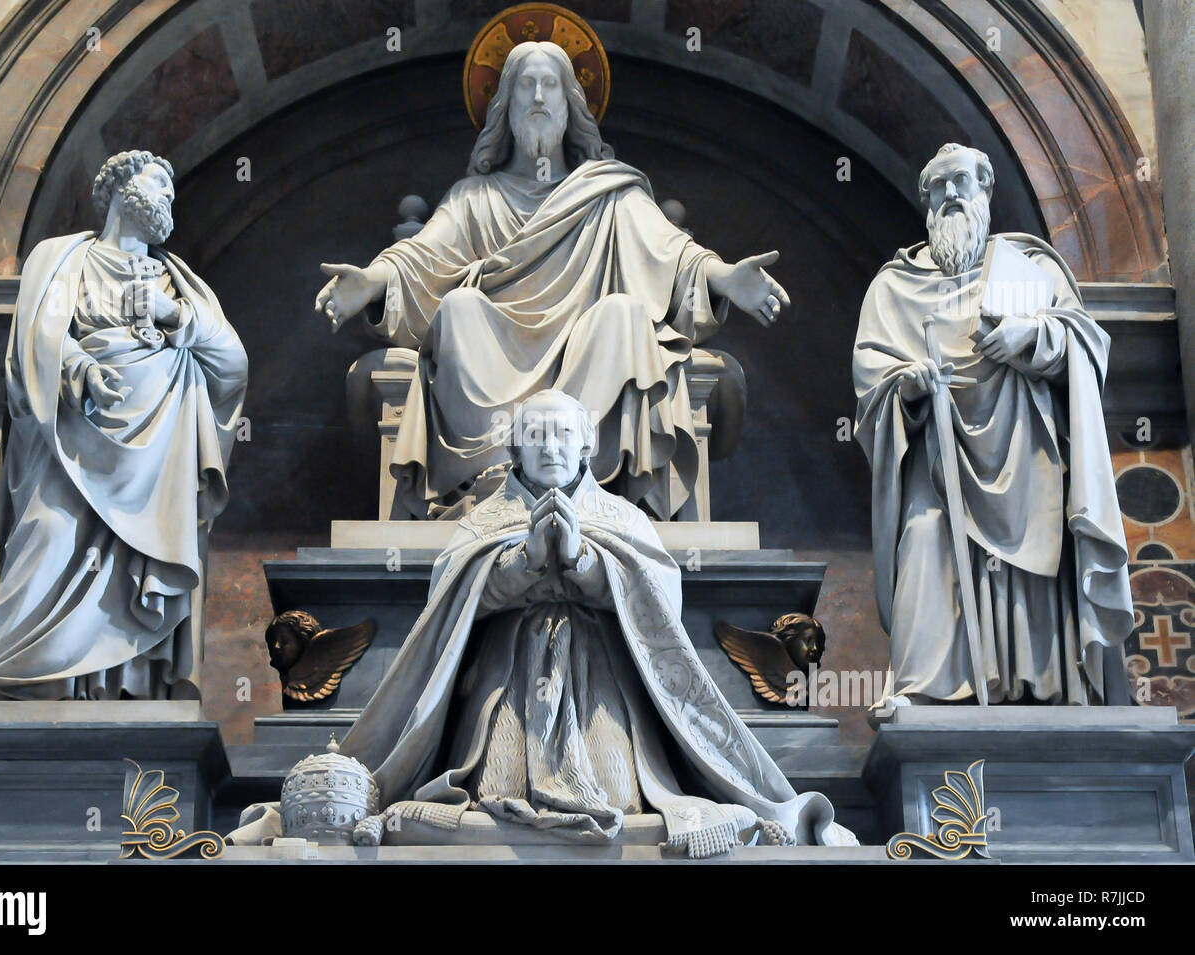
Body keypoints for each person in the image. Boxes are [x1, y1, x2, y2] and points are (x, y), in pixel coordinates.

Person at [334, 390, 856, 854]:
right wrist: (524, 561)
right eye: (534, 436)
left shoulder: (624, 518)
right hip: (507, 677)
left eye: (563, 433)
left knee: (617, 794)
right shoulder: (484, 521)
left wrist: (587, 561)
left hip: (604, 680)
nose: (550, 446)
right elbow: (451, 602)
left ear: (586, 446)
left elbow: (662, 602)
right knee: (499, 790)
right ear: (514, 450)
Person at [314, 40, 789, 520]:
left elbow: (674, 253)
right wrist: (372, 281)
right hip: (496, 351)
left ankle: (590, 472)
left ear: (570, 103)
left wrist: (725, 278)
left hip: (588, 351)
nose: (538, 97)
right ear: (506, 105)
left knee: (624, 312)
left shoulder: (609, 193)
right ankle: (497, 469)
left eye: (550, 86)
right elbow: (421, 255)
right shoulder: (475, 196)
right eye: (526, 85)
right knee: (459, 308)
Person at [853, 143, 1133, 708]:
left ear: (985, 190)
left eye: (962, 182)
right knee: (927, 543)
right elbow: (871, 380)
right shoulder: (893, 287)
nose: (951, 195)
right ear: (926, 201)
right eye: (938, 187)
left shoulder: (1028, 268)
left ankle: (1043, 689)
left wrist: (1027, 336)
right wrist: (906, 385)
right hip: (936, 463)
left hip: (1026, 455)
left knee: (1037, 550)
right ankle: (928, 693)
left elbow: (1085, 344)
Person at [0, 150, 248, 699]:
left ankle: (126, 690)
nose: (170, 198)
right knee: (47, 537)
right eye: (158, 185)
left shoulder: (179, 283)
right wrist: (81, 369)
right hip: (68, 444)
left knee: (130, 575)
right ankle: (25, 691)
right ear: (121, 188)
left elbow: (232, 363)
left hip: (154, 465)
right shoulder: (61, 259)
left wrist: (176, 319)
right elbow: (34, 339)